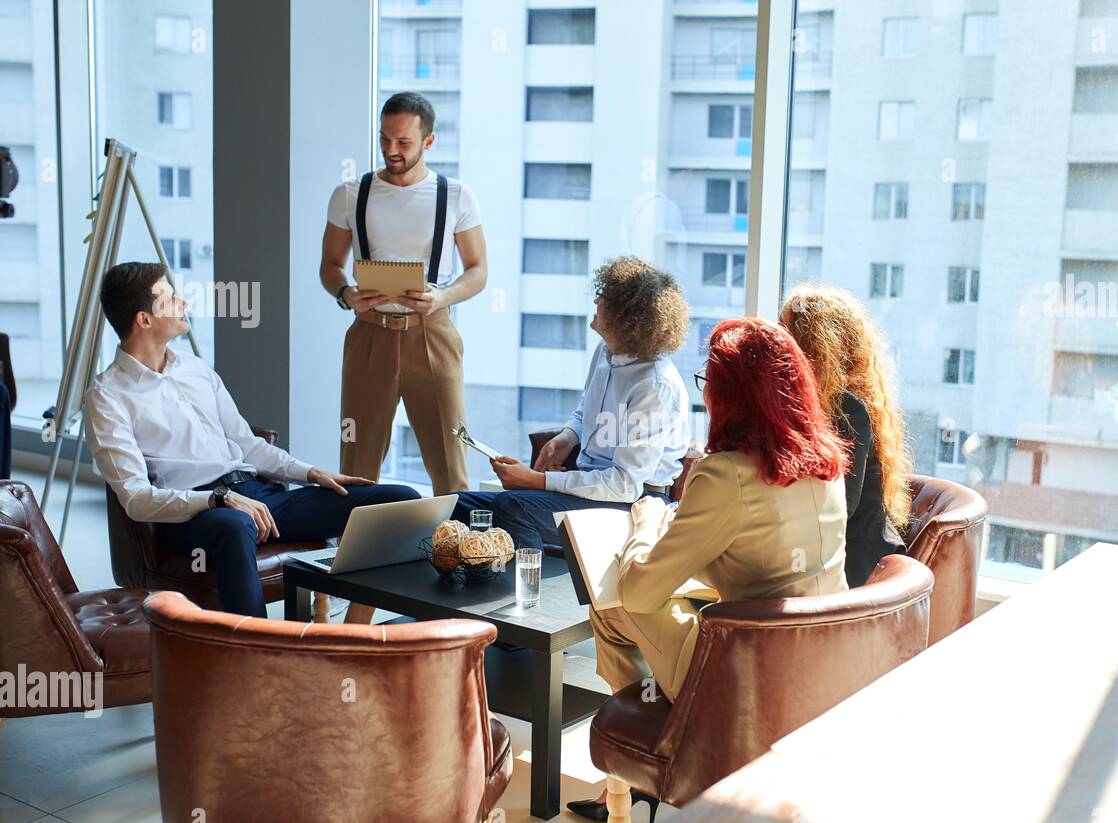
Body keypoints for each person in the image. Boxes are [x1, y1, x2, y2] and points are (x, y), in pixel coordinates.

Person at [567, 316, 849, 821]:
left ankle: (640, 765)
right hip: (818, 662)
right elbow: (763, 562)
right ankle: (644, 758)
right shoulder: (827, 465)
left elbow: (639, 594)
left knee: (612, 606)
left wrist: (647, 522)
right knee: (667, 599)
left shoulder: (724, 475)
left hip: (741, 675)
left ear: (730, 394)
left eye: (709, 382)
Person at [84, 262, 421, 621]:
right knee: (235, 525)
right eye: (169, 297)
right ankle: (258, 656)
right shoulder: (107, 396)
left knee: (399, 500)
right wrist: (217, 499)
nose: (183, 302)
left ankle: (383, 626)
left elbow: (247, 445)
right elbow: (136, 500)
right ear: (144, 319)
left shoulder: (196, 369)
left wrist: (311, 473)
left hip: (258, 495)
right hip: (199, 513)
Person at [452, 256, 691, 553]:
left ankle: (522, 595)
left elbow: (624, 485)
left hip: (634, 505)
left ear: (625, 317)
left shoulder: (653, 385)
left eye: (602, 298)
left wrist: (539, 481)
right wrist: (568, 437)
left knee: (512, 505)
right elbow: (585, 411)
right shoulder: (606, 352)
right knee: (459, 505)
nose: (596, 301)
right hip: (594, 490)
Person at [320, 91, 487, 493]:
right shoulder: (350, 194)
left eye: (403, 142)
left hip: (432, 333)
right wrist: (345, 293)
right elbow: (328, 266)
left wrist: (441, 297)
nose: (391, 150)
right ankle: (355, 553)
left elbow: (478, 271)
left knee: (451, 465)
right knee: (356, 465)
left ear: (429, 141)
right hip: (369, 335)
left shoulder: (456, 196)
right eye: (384, 139)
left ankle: (459, 551)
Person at [779, 283, 911, 587]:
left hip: (857, 560)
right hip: (827, 549)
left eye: (786, 334)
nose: (779, 343)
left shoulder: (847, 408)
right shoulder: (817, 403)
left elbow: (838, 509)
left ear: (814, 347)